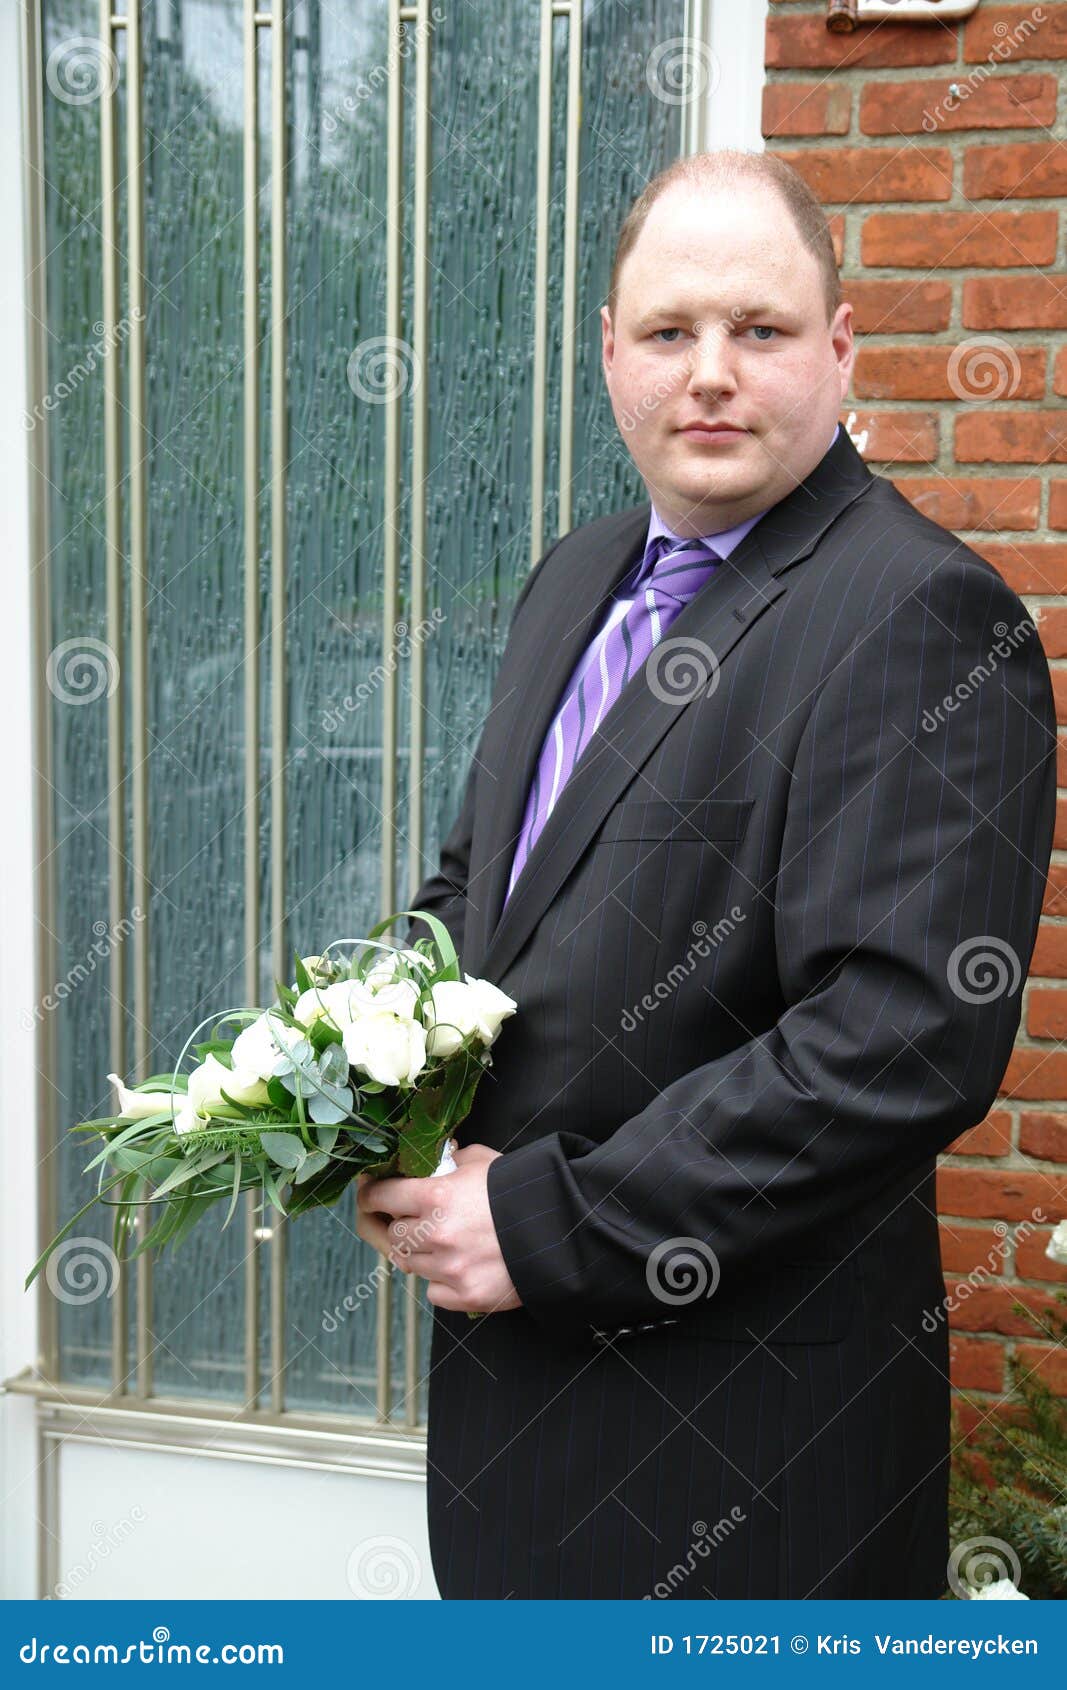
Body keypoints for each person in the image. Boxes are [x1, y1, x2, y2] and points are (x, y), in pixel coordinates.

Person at [356, 149, 1057, 1600]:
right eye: (671, 333)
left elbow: (901, 1039)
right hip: (516, 1427)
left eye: (763, 329)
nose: (712, 374)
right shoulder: (576, 575)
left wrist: (548, 1224)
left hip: (742, 1467)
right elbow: (482, 886)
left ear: (843, 349)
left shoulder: (921, 613)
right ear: (611, 354)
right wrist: (370, 1070)